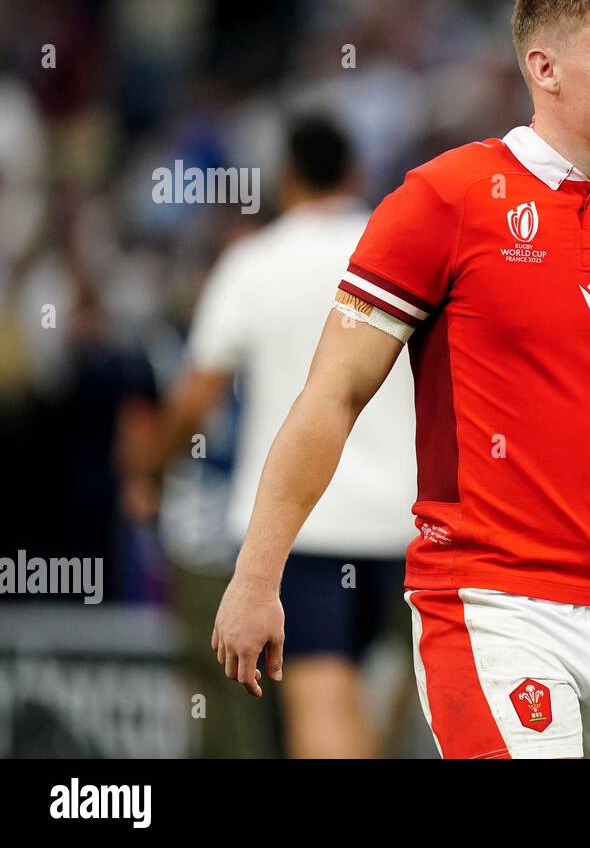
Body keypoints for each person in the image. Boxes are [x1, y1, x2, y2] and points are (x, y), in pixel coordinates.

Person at [211, 0, 590, 759]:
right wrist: (257, 575)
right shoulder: (445, 199)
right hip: (488, 602)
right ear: (543, 68)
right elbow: (331, 395)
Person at [156, 115, 417, 757]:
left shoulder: (254, 262)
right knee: (402, 708)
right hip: (412, 520)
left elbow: (195, 397)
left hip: (307, 526)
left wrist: (150, 469)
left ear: (286, 178)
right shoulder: (399, 247)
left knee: (322, 703)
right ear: (356, 174)